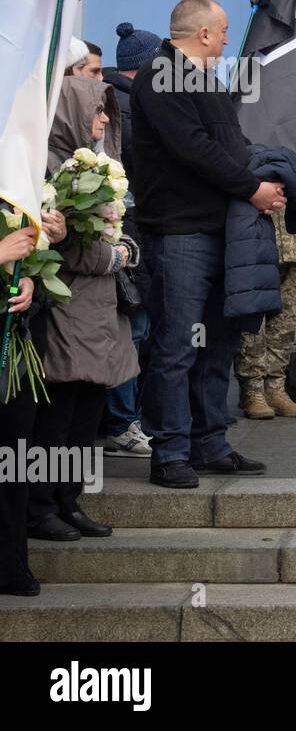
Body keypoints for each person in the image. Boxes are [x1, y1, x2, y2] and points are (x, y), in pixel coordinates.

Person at [132, 0, 282, 489]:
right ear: (202, 34)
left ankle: (210, 443)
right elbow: (194, 149)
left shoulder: (202, 80)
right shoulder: (161, 75)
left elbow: (229, 148)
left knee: (216, 344)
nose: (223, 42)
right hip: (180, 233)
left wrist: (268, 175)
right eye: (221, 34)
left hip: (220, 231)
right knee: (175, 346)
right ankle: (170, 451)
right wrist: (252, 188)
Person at [28, 77, 138, 541]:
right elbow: (59, 243)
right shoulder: (47, 170)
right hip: (67, 308)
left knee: (86, 414)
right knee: (58, 414)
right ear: (72, 113)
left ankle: (69, 502)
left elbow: (123, 233)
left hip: (101, 311)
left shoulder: (100, 168)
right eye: (97, 110)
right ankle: (40, 507)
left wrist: (125, 249)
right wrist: (113, 256)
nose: (105, 119)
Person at [100, 22, 162, 457]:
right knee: (133, 326)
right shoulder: (128, 107)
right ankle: (124, 422)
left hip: (134, 227)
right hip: (130, 229)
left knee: (135, 325)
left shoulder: (125, 100)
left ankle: (125, 419)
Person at [235, 154, 296, 418]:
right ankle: (252, 390)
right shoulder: (250, 141)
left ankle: (276, 388)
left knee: (285, 323)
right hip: (255, 244)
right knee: (254, 322)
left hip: (295, 244)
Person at [0, 214, 53, 595]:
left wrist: (31, 282)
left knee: (13, 460)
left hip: (13, 351)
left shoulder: (15, 191)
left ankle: (11, 563)